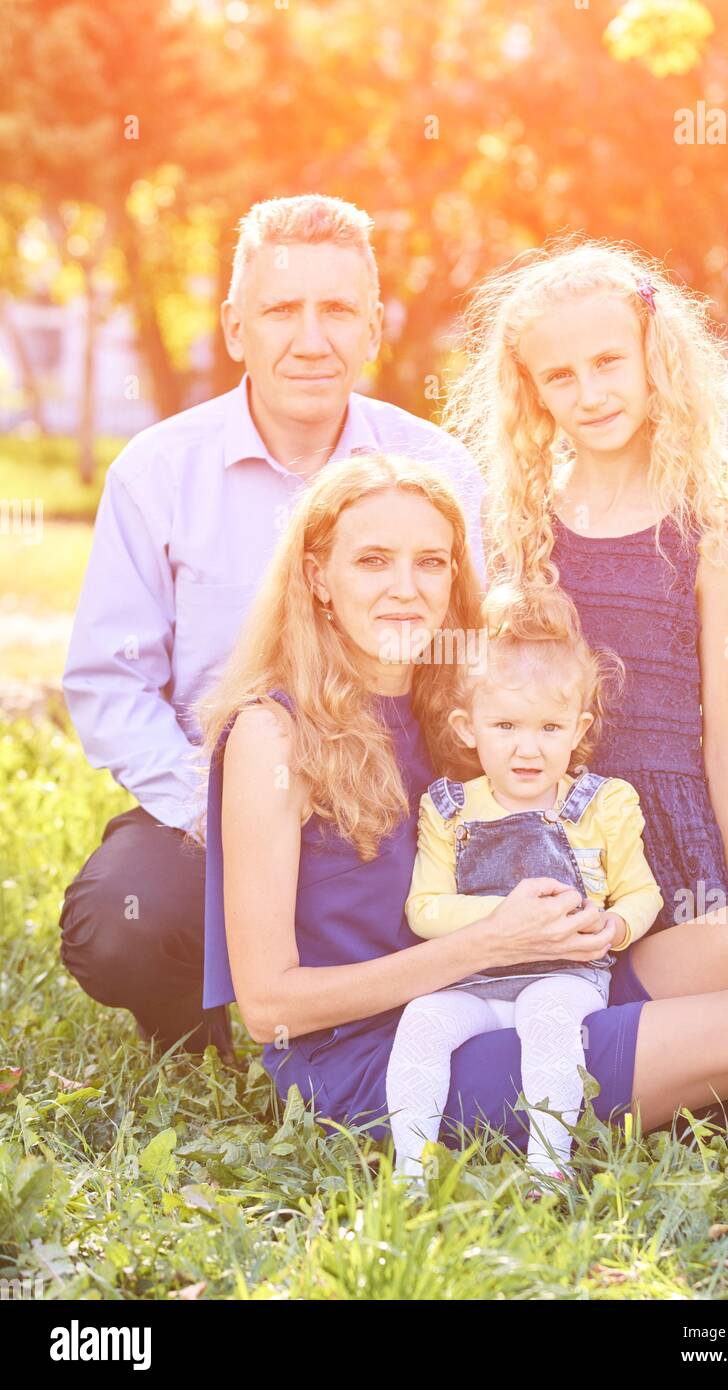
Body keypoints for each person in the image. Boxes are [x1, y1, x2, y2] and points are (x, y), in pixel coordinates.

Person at [200, 450, 728, 1159]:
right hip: (383, 1058)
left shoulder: (453, 711)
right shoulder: (273, 734)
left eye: (430, 561)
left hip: (519, 988)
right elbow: (270, 1006)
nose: (406, 588)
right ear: (316, 577)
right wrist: (486, 943)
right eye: (372, 561)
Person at [441, 234, 728, 1129]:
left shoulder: (710, 531)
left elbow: (725, 733)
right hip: (569, 857)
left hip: (679, 856)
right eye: (559, 376)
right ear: (532, 392)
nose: (589, 392)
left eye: (607, 362)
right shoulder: (521, 532)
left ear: (652, 358)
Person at [58, 193, 485, 1061]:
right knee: (123, 922)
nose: (310, 338)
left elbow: (470, 653)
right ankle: (199, 1018)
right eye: (282, 310)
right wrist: (223, 818)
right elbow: (111, 685)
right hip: (210, 804)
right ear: (234, 327)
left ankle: (376, 1014)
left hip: (394, 798)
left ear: (372, 328)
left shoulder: (437, 468)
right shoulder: (158, 471)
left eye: (337, 311)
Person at [386, 584, 663, 1188]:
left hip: (564, 976)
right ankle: (410, 1170)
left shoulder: (601, 804)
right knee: (422, 1021)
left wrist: (615, 926)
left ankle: (548, 1165)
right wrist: (500, 922)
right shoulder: (451, 809)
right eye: (506, 724)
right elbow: (424, 909)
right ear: (467, 727)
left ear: (577, 728)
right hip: (475, 984)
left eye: (549, 726)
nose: (528, 747)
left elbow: (642, 893)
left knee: (547, 1017)